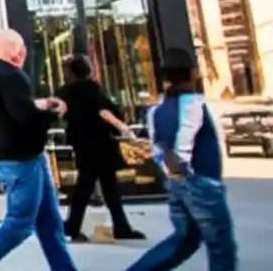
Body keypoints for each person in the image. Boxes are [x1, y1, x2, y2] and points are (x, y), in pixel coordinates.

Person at [0, 29, 76, 271]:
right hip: (21, 159)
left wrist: (39, 104)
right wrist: (53, 115)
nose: (23, 53)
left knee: (49, 220)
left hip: (20, 157)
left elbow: (12, 107)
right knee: (21, 222)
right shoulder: (13, 77)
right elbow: (26, 118)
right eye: (21, 48)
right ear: (15, 52)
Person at [128, 48, 237, 271]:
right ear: (192, 73)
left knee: (183, 240)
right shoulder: (194, 104)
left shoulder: (156, 111)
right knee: (221, 248)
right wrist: (184, 171)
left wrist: (173, 176)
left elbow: (157, 148)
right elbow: (183, 145)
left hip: (177, 183)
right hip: (201, 183)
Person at [55, 54, 145, 242]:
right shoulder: (95, 91)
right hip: (102, 144)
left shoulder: (66, 93)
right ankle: (120, 226)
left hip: (83, 146)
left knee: (84, 189)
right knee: (109, 188)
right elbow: (113, 114)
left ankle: (73, 225)